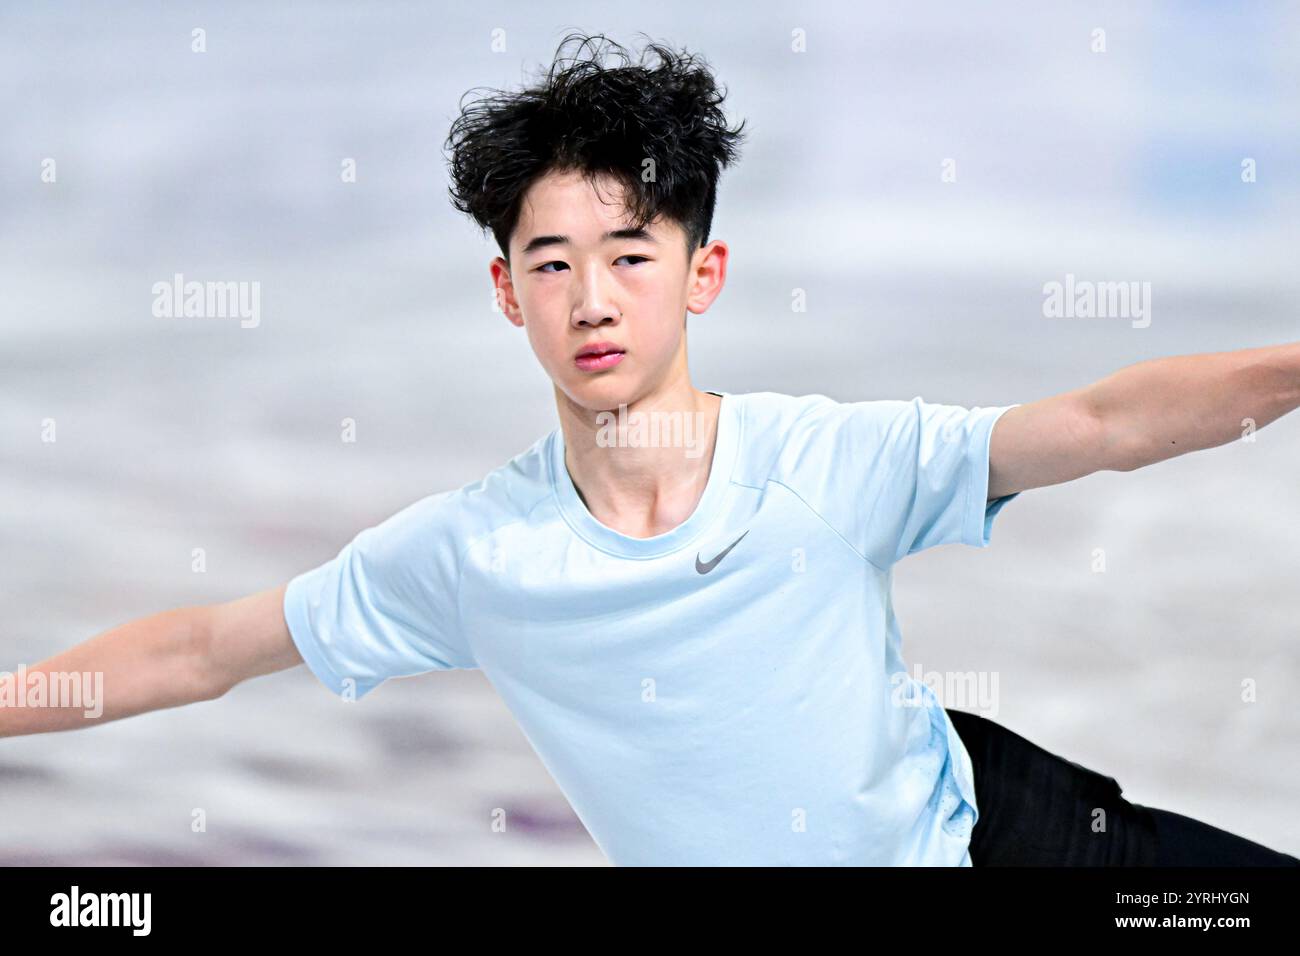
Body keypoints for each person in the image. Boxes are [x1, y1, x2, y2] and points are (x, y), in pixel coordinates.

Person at [4, 32, 1298, 867]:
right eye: (551, 263)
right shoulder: (479, 555)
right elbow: (200, 649)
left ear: (702, 274)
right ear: (508, 293)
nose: (593, 300)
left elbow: (1102, 425)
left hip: (1012, 842)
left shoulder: (824, 463)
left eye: (631, 257)